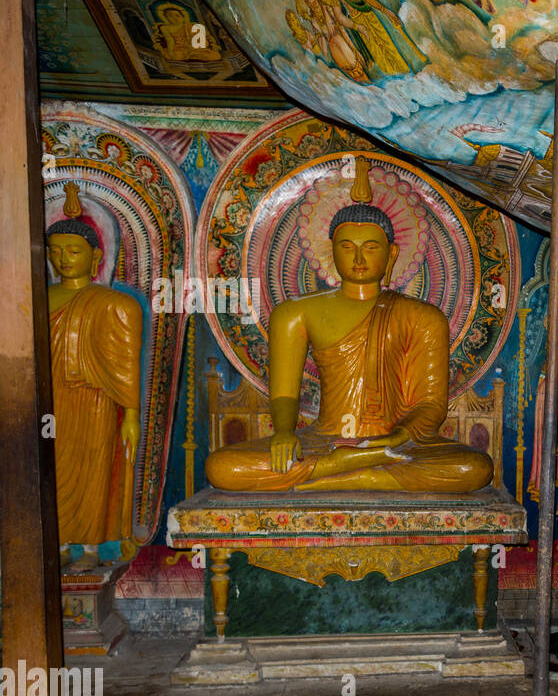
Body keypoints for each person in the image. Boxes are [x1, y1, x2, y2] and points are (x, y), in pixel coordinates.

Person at [204, 157, 492, 493]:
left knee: (473, 467)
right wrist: (284, 432)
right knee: (222, 467)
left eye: (370, 248)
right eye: (347, 247)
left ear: (392, 254)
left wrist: (399, 436)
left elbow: (429, 405)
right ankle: (350, 464)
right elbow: (283, 394)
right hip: (324, 440)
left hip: (395, 444)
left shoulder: (423, 317)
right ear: (331, 252)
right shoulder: (295, 313)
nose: (358, 259)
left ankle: (352, 471)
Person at [45, 183, 142, 566]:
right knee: (51, 470)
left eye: (73, 251)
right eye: (55, 252)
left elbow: (126, 366)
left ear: (96, 255)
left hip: (96, 402)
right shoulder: (39, 299)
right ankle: (59, 543)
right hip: (50, 403)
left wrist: (131, 417)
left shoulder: (113, 304)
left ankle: (86, 548)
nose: (64, 259)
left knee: (92, 471)